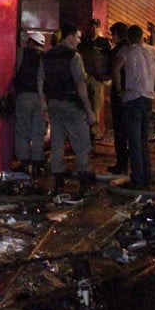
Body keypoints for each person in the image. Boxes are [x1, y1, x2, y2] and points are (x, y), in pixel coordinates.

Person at [111, 24, 155, 189]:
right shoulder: (154, 51)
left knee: (134, 141)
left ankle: (137, 179)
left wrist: (119, 90)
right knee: (143, 140)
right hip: (148, 99)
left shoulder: (126, 51)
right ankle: (147, 176)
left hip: (132, 98)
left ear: (128, 38)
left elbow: (115, 68)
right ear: (143, 37)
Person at [42, 23, 96, 197]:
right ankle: (84, 185)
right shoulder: (74, 56)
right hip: (71, 106)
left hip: (54, 106)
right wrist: (89, 110)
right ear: (70, 36)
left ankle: (58, 185)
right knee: (81, 145)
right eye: (78, 37)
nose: (79, 41)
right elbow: (80, 84)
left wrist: (44, 106)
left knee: (57, 145)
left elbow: (40, 83)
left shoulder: (47, 56)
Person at [12, 31, 46, 179]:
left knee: (22, 132)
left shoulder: (21, 55)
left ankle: (24, 166)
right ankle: (38, 166)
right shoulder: (45, 58)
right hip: (41, 99)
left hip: (24, 96)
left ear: (31, 42)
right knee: (38, 133)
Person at [77, 18, 113, 137]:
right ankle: (84, 131)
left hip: (98, 78)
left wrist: (107, 76)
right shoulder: (84, 42)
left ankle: (94, 132)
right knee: (83, 102)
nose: (93, 29)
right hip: (86, 76)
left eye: (96, 27)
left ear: (99, 28)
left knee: (96, 105)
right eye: (92, 27)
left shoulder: (104, 43)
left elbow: (110, 60)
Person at [106, 21, 131, 175]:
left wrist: (119, 89)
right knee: (133, 132)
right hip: (136, 94)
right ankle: (135, 165)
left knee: (120, 131)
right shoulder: (135, 49)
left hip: (120, 94)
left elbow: (112, 70)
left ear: (116, 35)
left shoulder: (118, 52)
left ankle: (121, 165)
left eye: (112, 35)